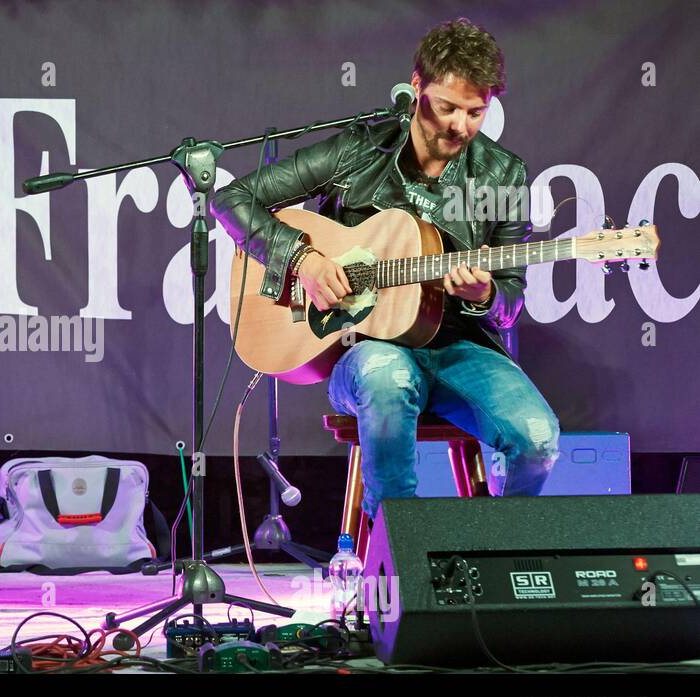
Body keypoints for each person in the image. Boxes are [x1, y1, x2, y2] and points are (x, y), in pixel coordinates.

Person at [211, 18, 559, 518]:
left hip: (461, 350)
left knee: (539, 441)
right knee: (386, 377)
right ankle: (395, 558)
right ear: (416, 87)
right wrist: (302, 258)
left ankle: (490, 557)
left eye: (476, 112)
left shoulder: (503, 174)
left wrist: (484, 293)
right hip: (363, 349)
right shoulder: (359, 150)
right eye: (447, 107)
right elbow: (232, 197)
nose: (460, 126)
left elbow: (509, 304)